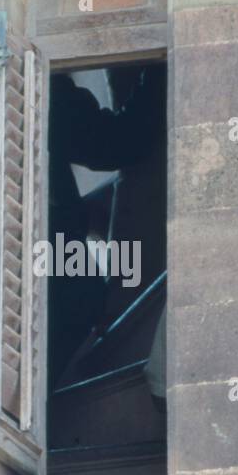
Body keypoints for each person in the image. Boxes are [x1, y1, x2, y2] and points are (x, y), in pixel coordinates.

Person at [48, 70, 164, 394]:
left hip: (44, 257)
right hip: (49, 262)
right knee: (79, 300)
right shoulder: (41, 90)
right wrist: (158, 75)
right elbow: (116, 144)